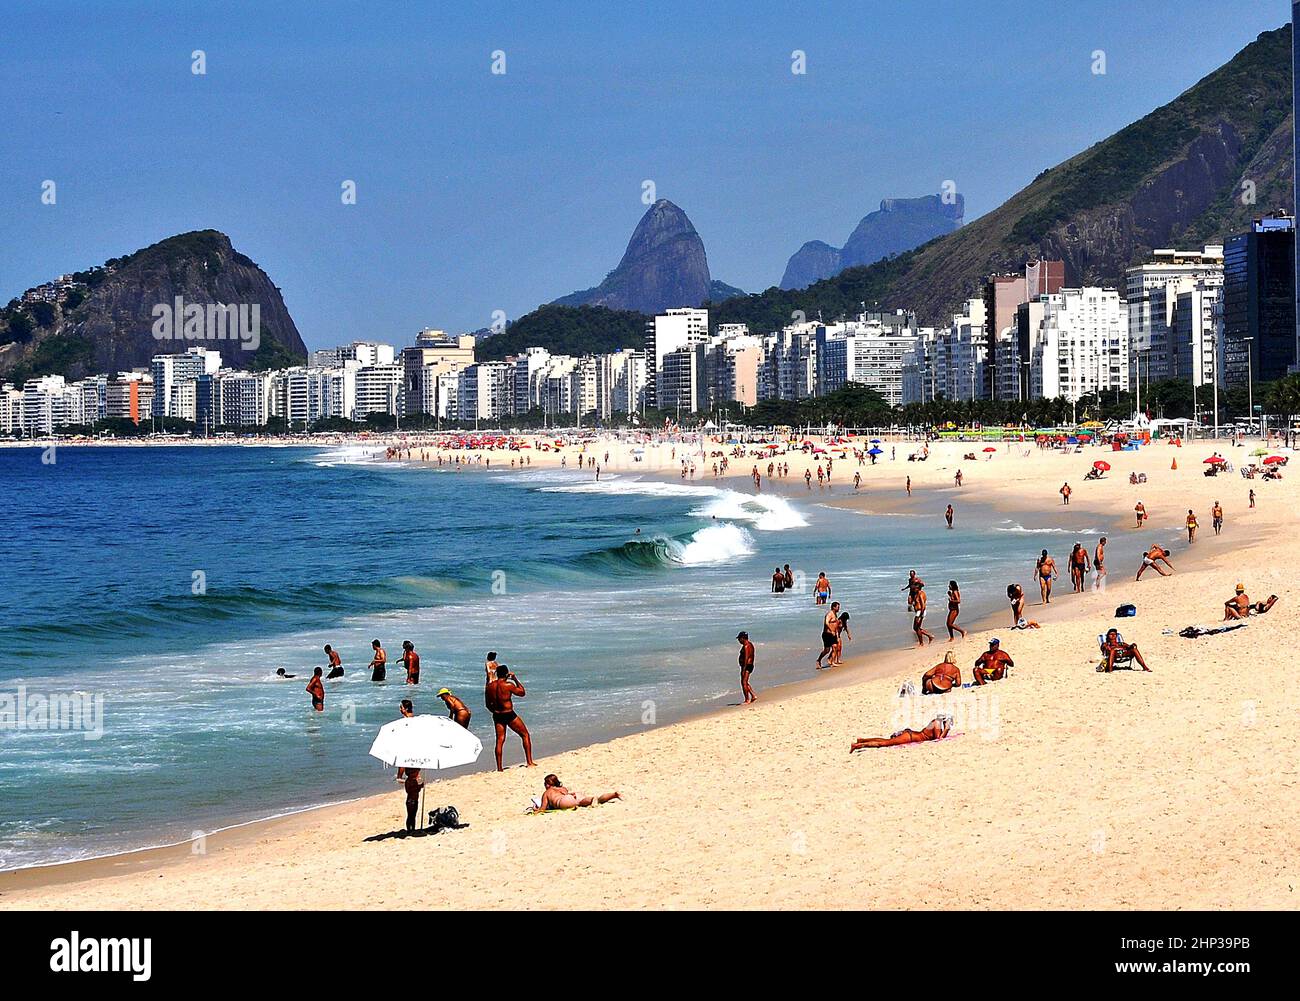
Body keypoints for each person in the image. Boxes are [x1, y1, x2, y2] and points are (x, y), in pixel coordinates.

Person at [485, 663, 535, 770]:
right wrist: (515, 679)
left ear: (497, 674)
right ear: (507, 674)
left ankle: (499, 768)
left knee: (499, 740)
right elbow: (522, 693)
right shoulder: (508, 685)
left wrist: (494, 711)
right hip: (509, 714)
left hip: (497, 715)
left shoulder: (489, 686)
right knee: (525, 734)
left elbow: (487, 704)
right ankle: (529, 762)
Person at [850, 715, 952, 751]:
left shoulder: (935, 722)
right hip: (910, 737)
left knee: (887, 741)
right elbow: (938, 739)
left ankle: (862, 740)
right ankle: (858, 745)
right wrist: (947, 729)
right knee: (885, 744)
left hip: (911, 734)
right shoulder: (937, 723)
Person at [535, 773, 621, 811]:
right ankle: (613, 795)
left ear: (547, 784)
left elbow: (542, 809)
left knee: (576, 803)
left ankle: (593, 800)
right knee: (592, 800)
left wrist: (536, 810)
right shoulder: (563, 788)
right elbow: (566, 794)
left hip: (562, 801)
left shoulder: (547, 793)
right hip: (573, 795)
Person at [816, 601, 842, 669]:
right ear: (834, 607)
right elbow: (826, 623)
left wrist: (836, 634)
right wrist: (831, 630)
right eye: (838, 607)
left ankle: (832, 662)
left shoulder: (835, 614)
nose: (839, 609)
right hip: (827, 634)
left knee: (835, 647)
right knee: (827, 650)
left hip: (833, 634)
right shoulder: (829, 614)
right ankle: (818, 660)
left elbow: (835, 625)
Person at [737, 631, 757, 704]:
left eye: (739, 639)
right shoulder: (750, 644)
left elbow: (746, 658)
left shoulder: (746, 646)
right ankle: (753, 695)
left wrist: (743, 669)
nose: (739, 641)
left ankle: (747, 699)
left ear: (743, 638)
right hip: (748, 665)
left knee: (744, 682)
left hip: (747, 666)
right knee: (745, 682)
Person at [403, 767, 423, 832]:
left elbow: (417, 790)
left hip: (415, 800)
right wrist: (418, 787)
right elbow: (409, 791)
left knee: (414, 815)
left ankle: (413, 828)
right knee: (410, 815)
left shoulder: (414, 780)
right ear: (411, 773)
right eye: (416, 772)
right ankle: (409, 829)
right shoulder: (408, 781)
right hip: (410, 801)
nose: (418, 773)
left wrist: (420, 786)